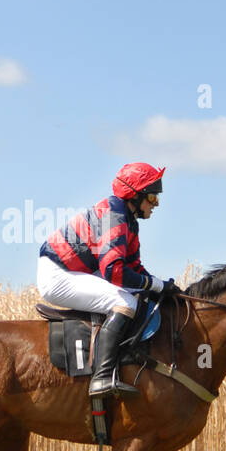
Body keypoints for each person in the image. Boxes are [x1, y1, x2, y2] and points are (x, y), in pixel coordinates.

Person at [37, 162, 179, 397]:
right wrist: (154, 284)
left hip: (74, 269)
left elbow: (134, 267)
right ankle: (101, 378)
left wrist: (161, 286)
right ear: (135, 195)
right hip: (58, 275)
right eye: (153, 198)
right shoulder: (114, 215)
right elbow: (114, 271)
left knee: (136, 295)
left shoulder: (128, 220)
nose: (156, 205)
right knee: (125, 303)